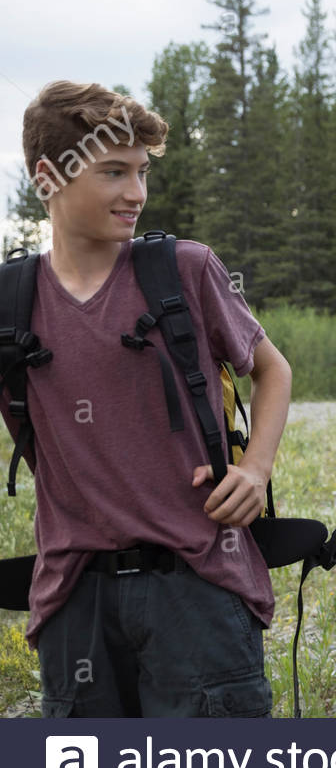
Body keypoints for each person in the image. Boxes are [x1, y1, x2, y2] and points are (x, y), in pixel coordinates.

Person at [9, 80, 292, 716]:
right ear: (48, 177)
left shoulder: (184, 271)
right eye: (114, 172)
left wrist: (256, 468)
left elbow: (272, 370)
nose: (136, 193)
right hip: (72, 599)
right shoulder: (11, 303)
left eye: (142, 172)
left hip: (199, 585)